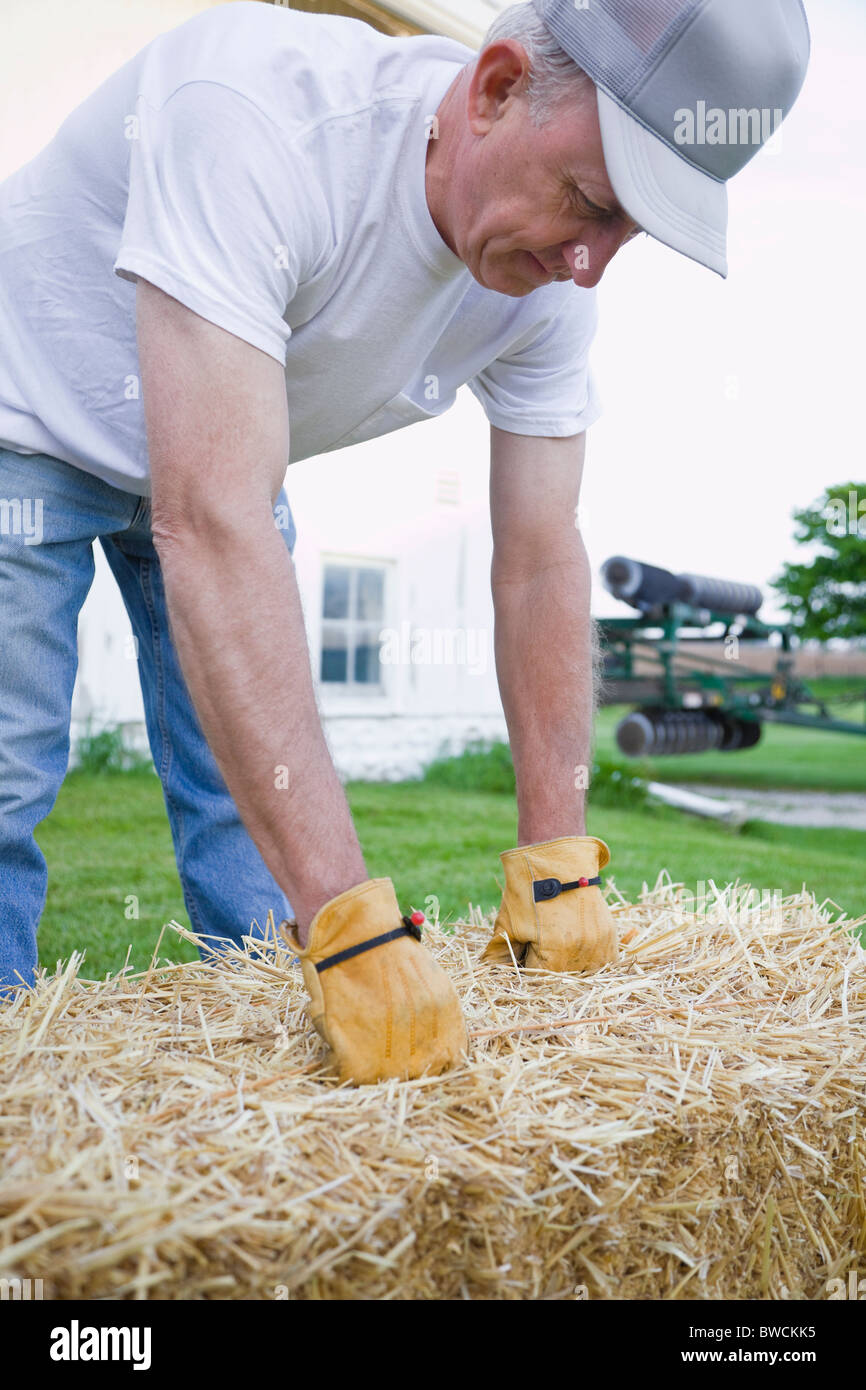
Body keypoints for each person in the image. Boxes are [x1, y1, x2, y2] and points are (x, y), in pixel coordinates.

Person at [0, 1, 810, 1082]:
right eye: (590, 203)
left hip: (226, 442)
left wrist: (557, 862)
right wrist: (351, 919)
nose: (590, 264)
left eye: (629, 232)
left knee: (244, 814)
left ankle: (272, 1106)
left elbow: (538, 559)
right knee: (6, 780)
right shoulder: (250, 110)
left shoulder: (548, 280)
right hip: (30, 415)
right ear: (493, 89)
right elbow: (209, 519)